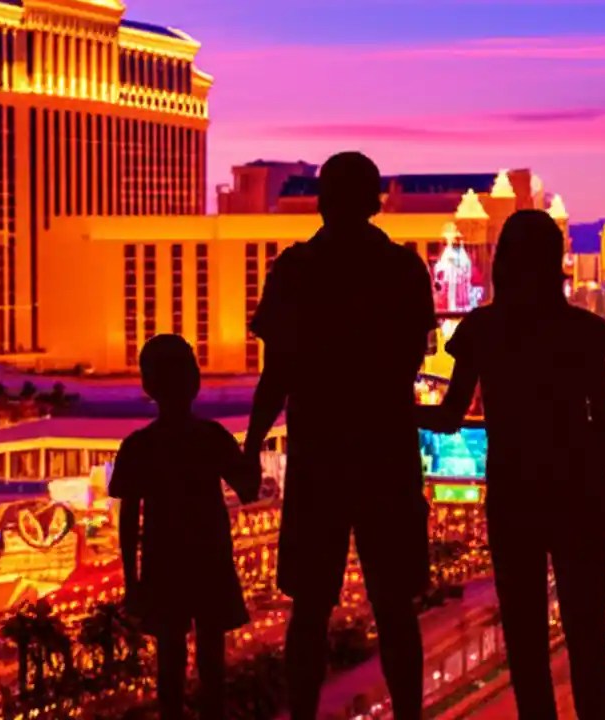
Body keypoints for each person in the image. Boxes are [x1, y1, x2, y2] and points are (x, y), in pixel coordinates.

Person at [243, 151, 436, 720]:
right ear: (376, 203)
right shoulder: (403, 270)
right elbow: (406, 366)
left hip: (318, 457)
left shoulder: (295, 270)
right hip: (386, 455)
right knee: (395, 607)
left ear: (322, 200)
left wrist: (253, 446)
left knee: (308, 609)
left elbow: (275, 374)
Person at [417, 209, 605, 720]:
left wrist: (390, 410)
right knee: (586, 634)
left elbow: (449, 416)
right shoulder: (585, 331)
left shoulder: (482, 329)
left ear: (504, 261)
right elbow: (602, 423)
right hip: (583, 491)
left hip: (515, 494)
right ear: (555, 260)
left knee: (527, 640)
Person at [109, 335, 260, 720]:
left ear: (148, 385)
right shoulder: (211, 438)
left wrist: (132, 580)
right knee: (212, 663)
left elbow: (129, 520)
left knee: (169, 664)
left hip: (163, 565)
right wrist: (255, 443)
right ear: (195, 381)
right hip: (209, 560)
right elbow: (248, 489)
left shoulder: (139, 446)